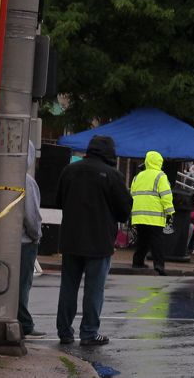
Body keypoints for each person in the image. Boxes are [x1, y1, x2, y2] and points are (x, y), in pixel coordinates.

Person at [56, 136, 132, 347]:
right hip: (99, 242)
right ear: (109, 152)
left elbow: (59, 200)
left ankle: (64, 331)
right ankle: (89, 332)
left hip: (71, 239)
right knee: (94, 289)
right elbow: (124, 209)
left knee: (68, 287)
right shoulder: (112, 175)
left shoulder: (69, 171)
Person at [130, 150, 175, 275]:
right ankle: (159, 265)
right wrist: (170, 213)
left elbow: (132, 194)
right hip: (155, 215)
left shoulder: (137, 177)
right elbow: (166, 196)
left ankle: (137, 262)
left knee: (142, 240)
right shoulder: (161, 176)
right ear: (159, 162)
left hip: (139, 215)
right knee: (157, 241)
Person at [19, 141, 43, 339]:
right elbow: (32, 217)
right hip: (24, 241)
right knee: (22, 285)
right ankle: (24, 323)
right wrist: (36, 236)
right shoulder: (27, 181)